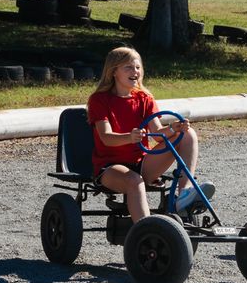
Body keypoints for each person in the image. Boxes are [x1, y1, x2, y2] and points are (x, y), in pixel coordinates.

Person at [88, 47, 214, 223]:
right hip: (110, 168)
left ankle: (184, 194)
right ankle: (147, 232)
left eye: (138, 67)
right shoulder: (99, 100)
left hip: (142, 164)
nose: (135, 72)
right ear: (114, 71)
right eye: (129, 68)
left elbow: (156, 135)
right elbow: (106, 138)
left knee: (188, 134)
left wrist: (174, 128)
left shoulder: (144, 98)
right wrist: (129, 137)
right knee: (134, 181)